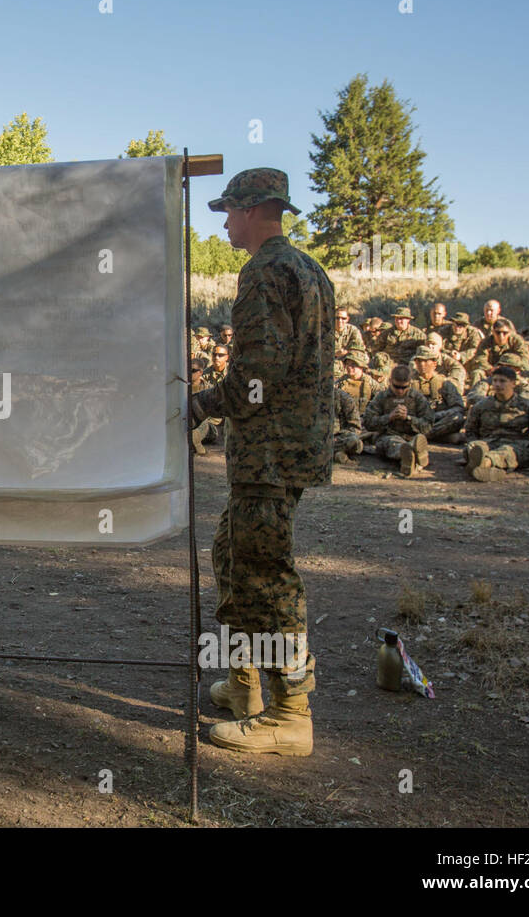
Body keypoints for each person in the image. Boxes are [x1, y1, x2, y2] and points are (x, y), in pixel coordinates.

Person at [189, 168, 333, 757]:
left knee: (266, 578)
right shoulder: (307, 268)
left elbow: (258, 375)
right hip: (282, 448)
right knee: (234, 555)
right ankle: (246, 685)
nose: (224, 222)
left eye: (229, 211)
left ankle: (289, 714)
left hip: (271, 453)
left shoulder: (265, 270)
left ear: (254, 211)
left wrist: (199, 404)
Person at [463, 365, 529, 482]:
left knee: (507, 452)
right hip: (488, 443)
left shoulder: (527, 406)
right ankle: (491, 470)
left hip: (516, 446)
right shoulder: (481, 406)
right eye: (495, 381)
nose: (497, 384)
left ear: (513, 383)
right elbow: (470, 431)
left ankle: (484, 463)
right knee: (473, 447)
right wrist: (474, 443)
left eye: (502, 381)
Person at [363, 365, 433, 476]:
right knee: (392, 443)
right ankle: (409, 453)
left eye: (404, 387)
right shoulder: (381, 397)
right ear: (390, 381)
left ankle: (412, 454)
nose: (400, 391)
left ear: (410, 383)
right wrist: (389, 417)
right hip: (388, 436)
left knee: (416, 441)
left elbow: (428, 426)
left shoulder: (418, 398)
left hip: (412, 437)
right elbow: (368, 422)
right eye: (396, 387)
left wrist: (409, 418)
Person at [410, 347, 466, 442]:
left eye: (426, 361)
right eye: (419, 361)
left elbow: (458, 407)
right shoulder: (408, 383)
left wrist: (436, 416)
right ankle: (442, 438)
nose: (422, 364)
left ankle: (422, 436)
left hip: (438, 421)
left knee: (457, 418)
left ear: (434, 364)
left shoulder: (444, 383)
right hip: (417, 421)